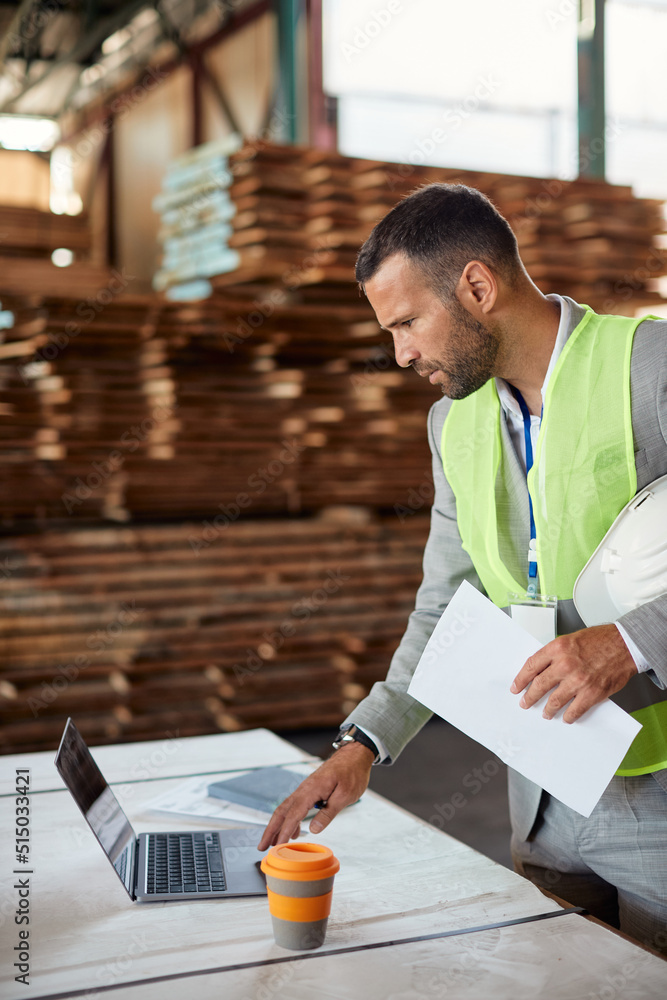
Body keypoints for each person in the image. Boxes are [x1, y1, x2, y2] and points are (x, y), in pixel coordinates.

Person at [258, 183, 667, 954]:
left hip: (657, 791)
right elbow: (445, 600)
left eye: (408, 322)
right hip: (540, 794)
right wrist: (362, 745)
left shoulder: (650, 369)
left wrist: (631, 641)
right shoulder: (454, 420)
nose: (401, 352)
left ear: (477, 287)